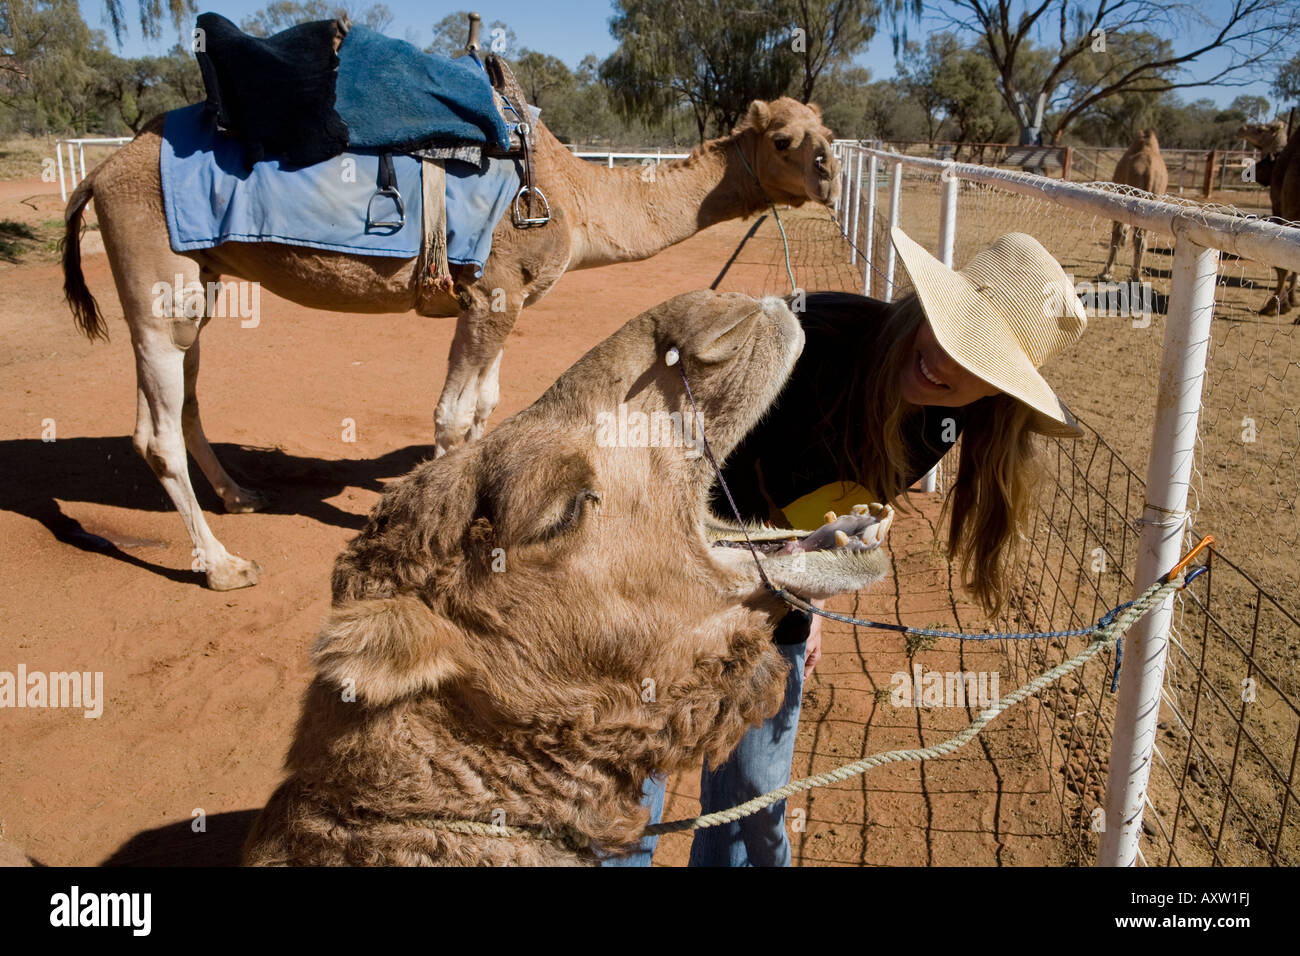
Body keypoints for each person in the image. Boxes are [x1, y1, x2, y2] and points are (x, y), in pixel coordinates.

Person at [599, 226, 1089, 867]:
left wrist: (810, 592)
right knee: (635, 767)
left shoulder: (947, 417)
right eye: (951, 326)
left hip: (776, 597)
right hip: (670, 573)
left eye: (978, 359)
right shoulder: (811, 338)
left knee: (753, 801)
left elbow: (833, 495)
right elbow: (670, 454)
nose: (944, 360)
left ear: (1000, 388)